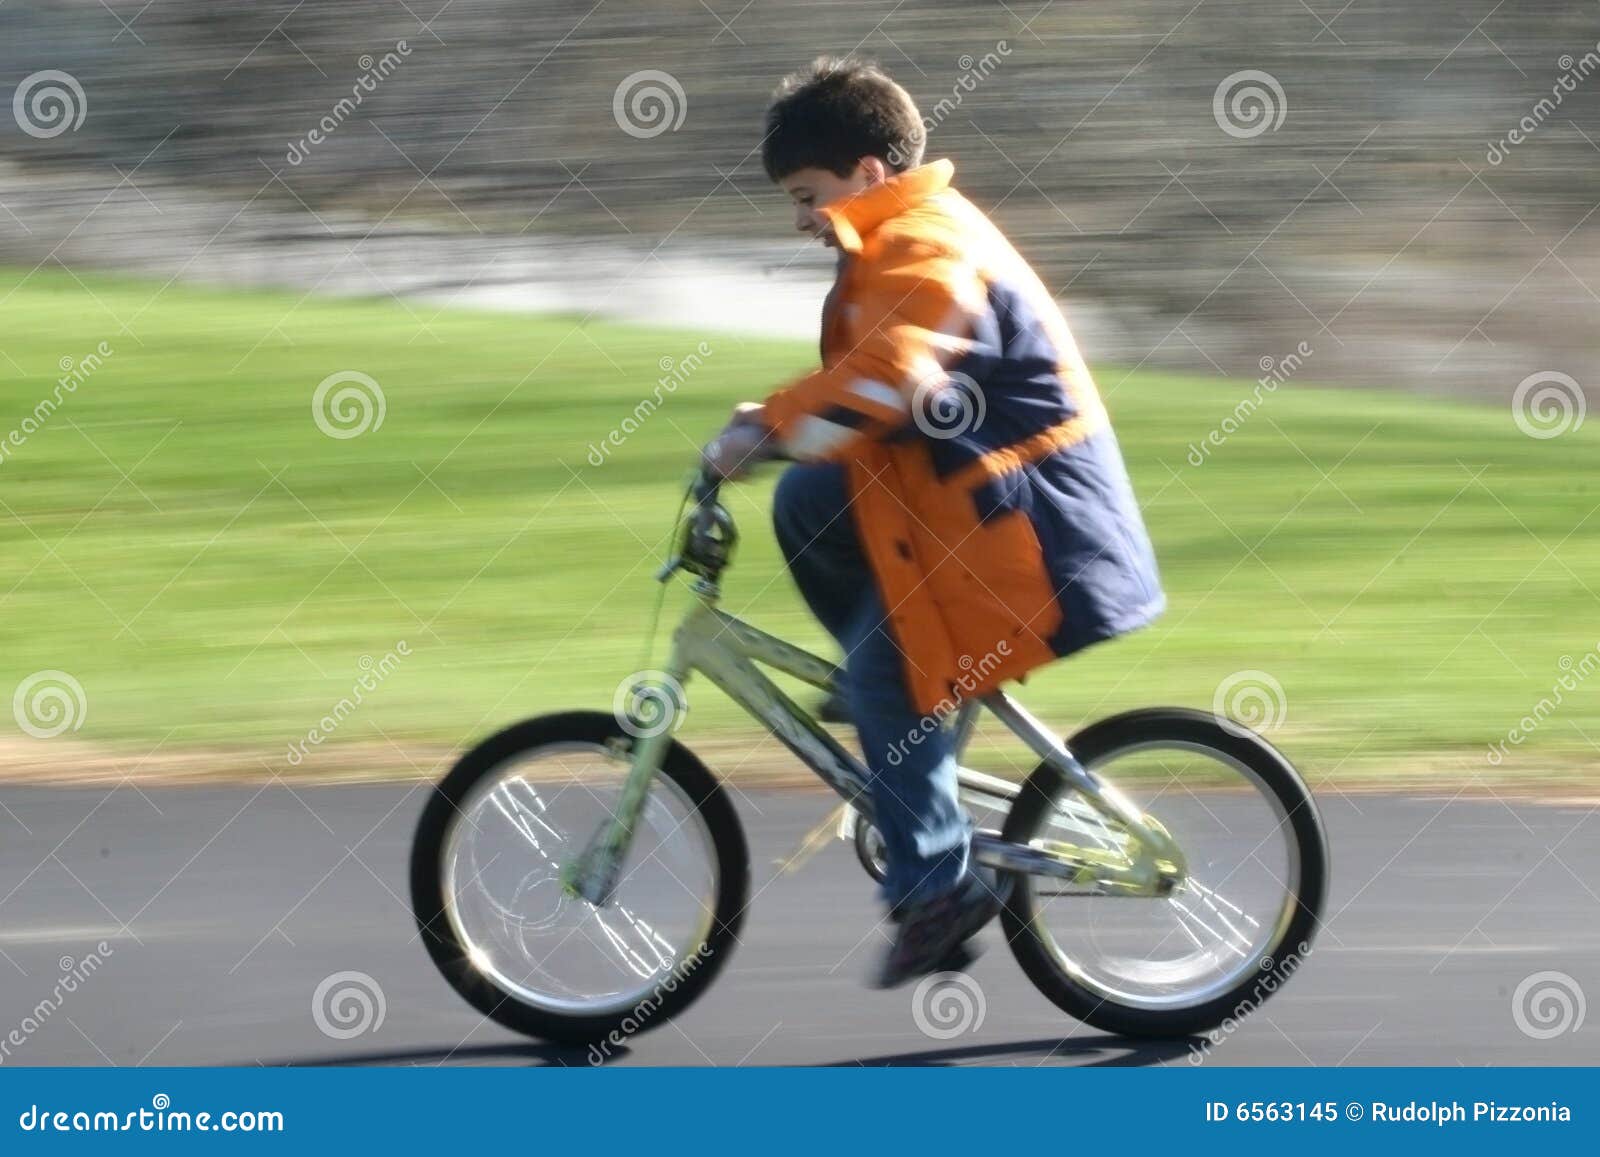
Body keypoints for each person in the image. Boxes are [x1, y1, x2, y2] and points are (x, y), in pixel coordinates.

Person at [703, 58, 1165, 987]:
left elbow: (890, 381)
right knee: (806, 500)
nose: (800, 219)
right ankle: (907, 695)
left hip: (1035, 532)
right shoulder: (898, 237)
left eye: (807, 196)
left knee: (889, 675)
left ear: (868, 173)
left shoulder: (926, 244)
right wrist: (773, 425)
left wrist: (769, 429)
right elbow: (872, 380)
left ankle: (936, 889)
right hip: (973, 507)